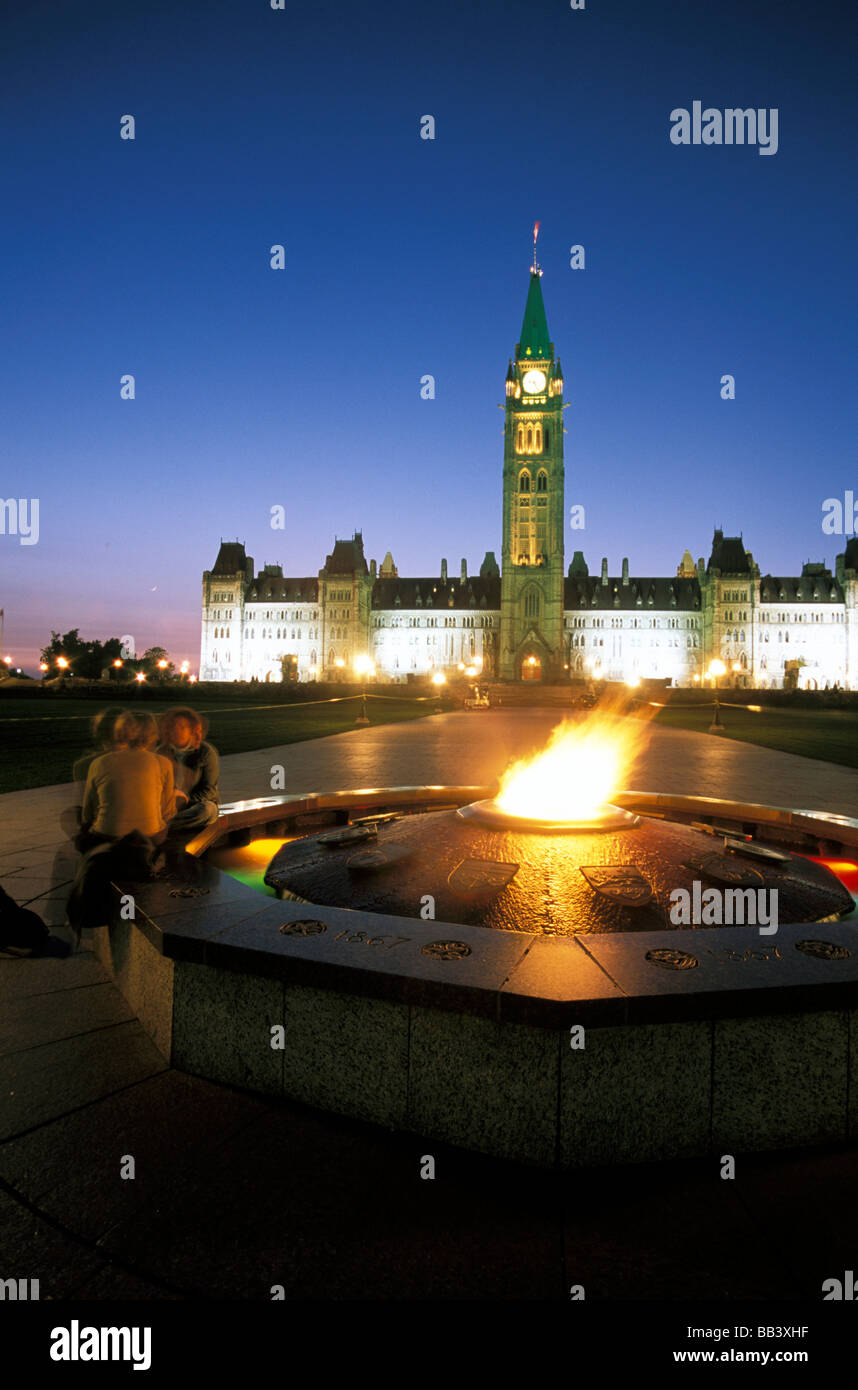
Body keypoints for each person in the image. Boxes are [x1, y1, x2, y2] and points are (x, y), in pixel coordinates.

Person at [80, 710, 176, 848]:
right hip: (151, 836)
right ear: (152, 734)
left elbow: (88, 812)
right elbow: (168, 812)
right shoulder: (162, 762)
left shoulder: (99, 762)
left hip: (107, 836)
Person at [157, 706, 220, 831]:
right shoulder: (161, 752)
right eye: (171, 726)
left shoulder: (205, 752)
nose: (173, 730)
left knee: (207, 811)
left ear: (192, 730)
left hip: (194, 805)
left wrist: (185, 800)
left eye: (181, 727)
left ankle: (163, 827)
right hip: (168, 805)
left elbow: (209, 791)